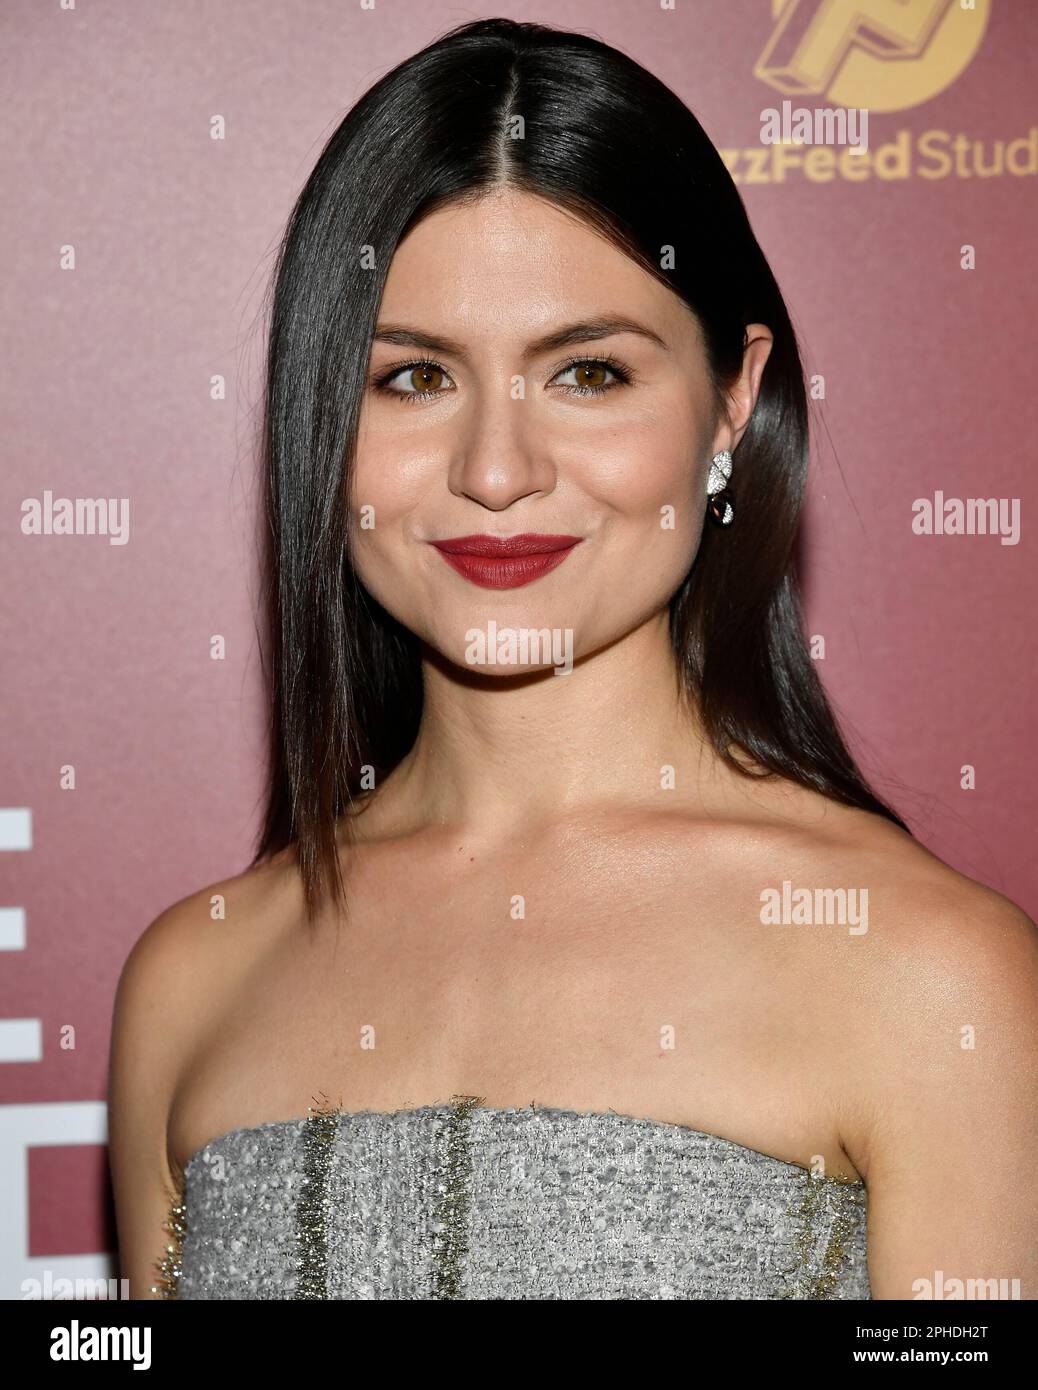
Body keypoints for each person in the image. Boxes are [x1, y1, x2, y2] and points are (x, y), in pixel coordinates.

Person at [107, 17, 1037, 1300]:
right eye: (415, 378)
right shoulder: (194, 977)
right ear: (324, 414)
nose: (498, 471)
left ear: (728, 400)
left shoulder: (931, 972)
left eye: (588, 371)